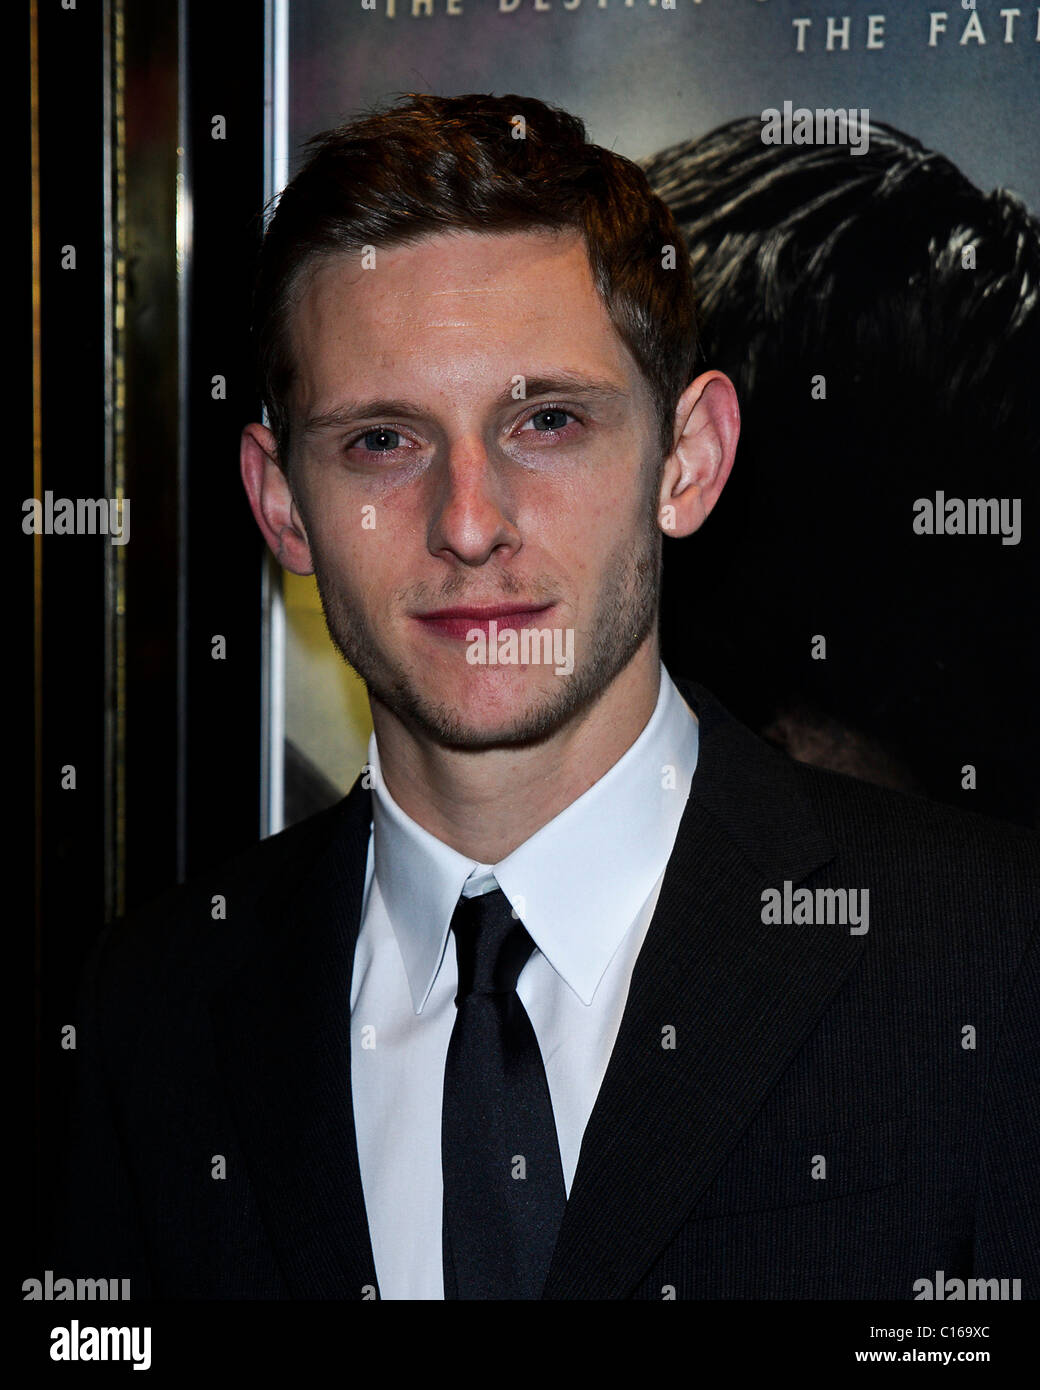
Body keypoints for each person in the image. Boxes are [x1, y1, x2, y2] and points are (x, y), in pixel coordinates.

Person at [58, 92, 1038, 1301]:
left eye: (548, 421)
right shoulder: (154, 1010)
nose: (468, 524)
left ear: (687, 460)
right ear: (279, 504)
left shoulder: (990, 961)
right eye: (381, 440)